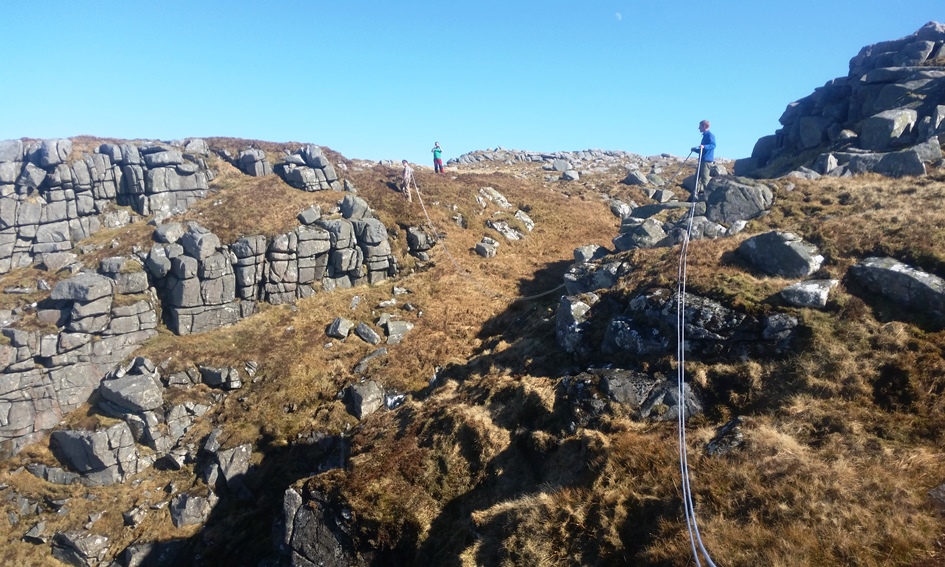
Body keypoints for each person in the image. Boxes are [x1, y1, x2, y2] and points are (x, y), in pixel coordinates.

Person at [691, 120, 716, 196]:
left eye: (700, 126)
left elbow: (713, 145)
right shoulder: (705, 136)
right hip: (702, 160)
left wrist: (704, 146)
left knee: (705, 179)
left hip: (706, 161)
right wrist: (695, 150)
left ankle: (708, 196)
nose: (699, 128)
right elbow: (703, 149)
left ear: (704, 126)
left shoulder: (710, 135)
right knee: (696, 179)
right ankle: (695, 195)